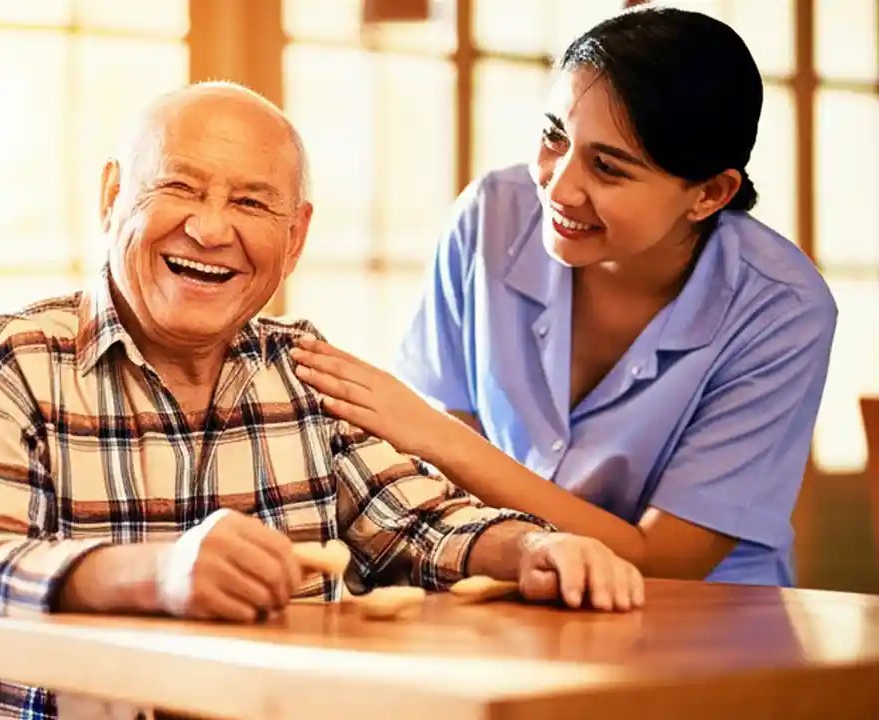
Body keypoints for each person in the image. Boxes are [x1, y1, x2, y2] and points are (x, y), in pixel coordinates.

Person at [0, 81, 644, 719]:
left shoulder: (301, 366)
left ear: (294, 240)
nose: (209, 228)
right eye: (180, 187)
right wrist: (160, 575)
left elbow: (420, 528)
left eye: (251, 203)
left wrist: (534, 549)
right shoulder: (9, 360)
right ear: (113, 198)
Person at [291, 6, 836, 588]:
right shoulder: (491, 218)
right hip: (516, 589)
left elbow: (665, 564)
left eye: (607, 167)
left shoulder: (781, 308)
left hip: (705, 621)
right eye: (555, 137)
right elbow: (432, 489)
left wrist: (434, 435)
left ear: (708, 194)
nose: (559, 185)